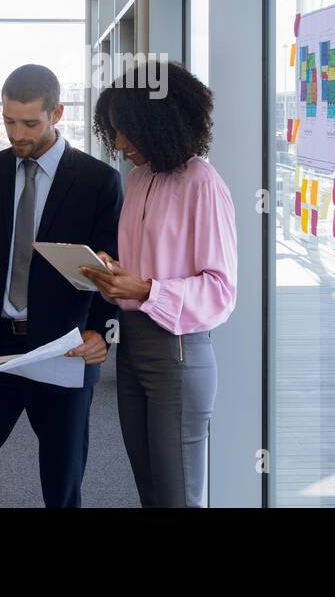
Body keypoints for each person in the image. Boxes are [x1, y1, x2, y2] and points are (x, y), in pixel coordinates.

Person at [0, 64, 122, 508]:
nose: (17, 134)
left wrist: (103, 332)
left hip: (63, 352)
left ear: (56, 113)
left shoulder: (98, 181)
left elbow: (114, 267)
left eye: (30, 123)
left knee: (61, 491)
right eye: (9, 120)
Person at [79, 60, 237, 508]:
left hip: (178, 352)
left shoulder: (201, 183)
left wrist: (147, 290)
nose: (120, 143)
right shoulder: (138, 179)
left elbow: (221, 291)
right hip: (132, 348)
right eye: (114, 131)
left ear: (158, 123)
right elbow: (146, 264)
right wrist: (113, 271)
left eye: (127, 130)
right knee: (150, 492)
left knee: (177, 496)